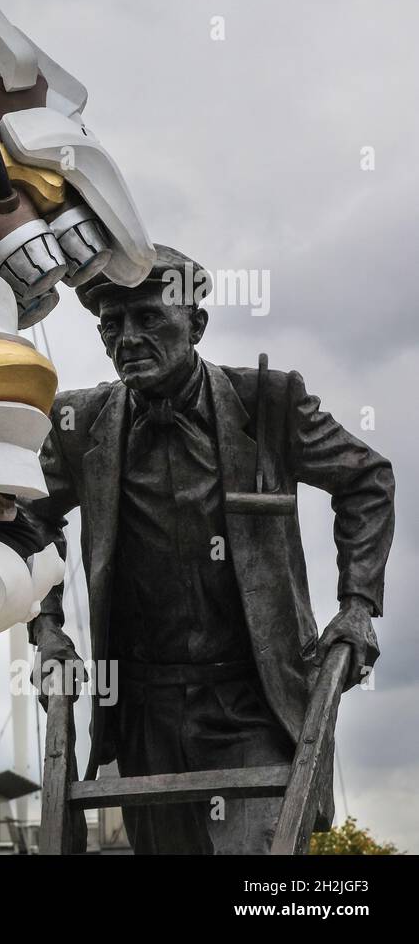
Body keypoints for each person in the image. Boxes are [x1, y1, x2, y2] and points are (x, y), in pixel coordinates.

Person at [25, 245, 395, 853]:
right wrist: (46, 629)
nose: (128, 339)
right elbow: (26, 518)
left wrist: (357, 606)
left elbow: (366, 479)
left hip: (254, 701)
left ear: (195, 326)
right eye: (111, 326)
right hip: (144, 711)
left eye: (149, 318)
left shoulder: (269, 405)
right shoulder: (79, 424)